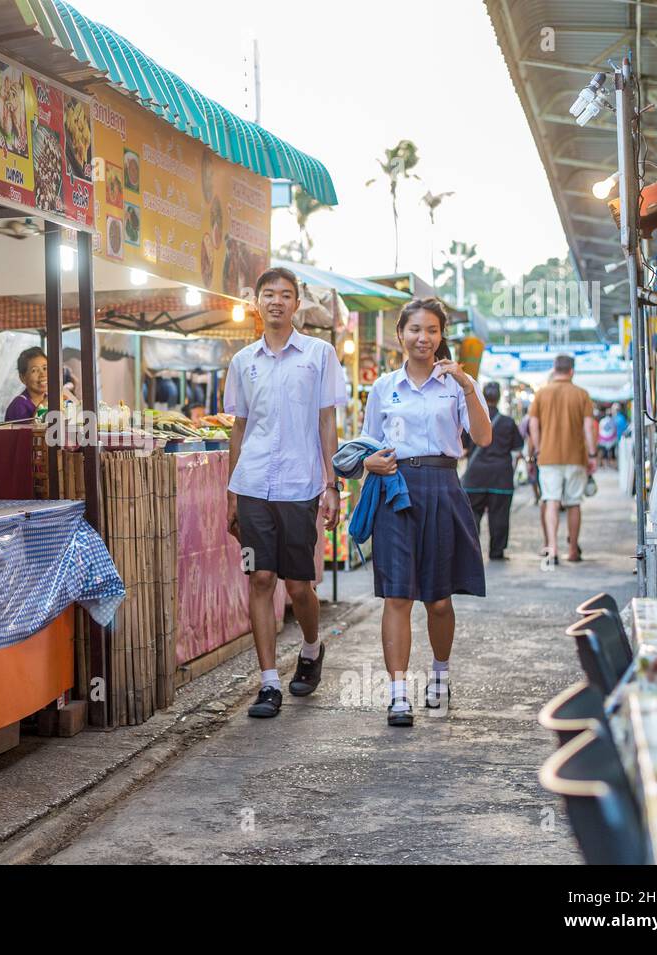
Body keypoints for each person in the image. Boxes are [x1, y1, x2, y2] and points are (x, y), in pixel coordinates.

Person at [361, 298, 492, 727]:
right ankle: (398, 695)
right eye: (415, 329)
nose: (424, 337)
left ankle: (440, 674)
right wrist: (370, 462)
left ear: (441, 336)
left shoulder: (457, 384)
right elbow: (365, 446)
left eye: (432, 330)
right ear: (400, 334)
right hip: (395, 489)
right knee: (397, 594)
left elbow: (483, 437)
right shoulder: (383, 387)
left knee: (438, 599)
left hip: (442, 485)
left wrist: (468, 385)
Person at [223, 267, 346, 720]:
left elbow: (327, 422)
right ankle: (268, 682)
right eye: (268, 294)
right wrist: (232, 491)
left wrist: (332, 483)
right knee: (260, 578)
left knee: (299, 585)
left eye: (285, 295)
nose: (276, 301)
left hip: (299, 485)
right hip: (253, 484)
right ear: (256, 302)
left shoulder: (319, 354)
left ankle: (312, 649)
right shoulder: (243, 362)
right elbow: (239, 426)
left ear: (297, 304)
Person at [528, 354, 597, 563]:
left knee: (551, 501)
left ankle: (553, 550)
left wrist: (539, 448)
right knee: (574, 502)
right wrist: (592, 454)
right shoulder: (582, 394)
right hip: (576, 456)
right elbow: (588, 427)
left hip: (548, 457)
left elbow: (532, 425)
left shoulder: (541, 394)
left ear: (554, 369)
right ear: (571, 371)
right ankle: (573, 551)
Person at [462, 381, 523, 560]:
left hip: (475, 476)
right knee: (499, 515)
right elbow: (517, 447)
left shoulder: (472, 418)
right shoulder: (508, 422)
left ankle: (471, 550)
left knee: (472, 515)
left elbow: (463, 448)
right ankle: (496, 552)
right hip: (501, 476)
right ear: (498, 397)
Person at [5, 346, 48, 421]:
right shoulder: (19, 406)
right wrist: (44, 404)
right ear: (23, 378)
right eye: (34, 370)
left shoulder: (51, 399)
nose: (43, 374)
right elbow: (35, 428)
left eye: (45, 368)